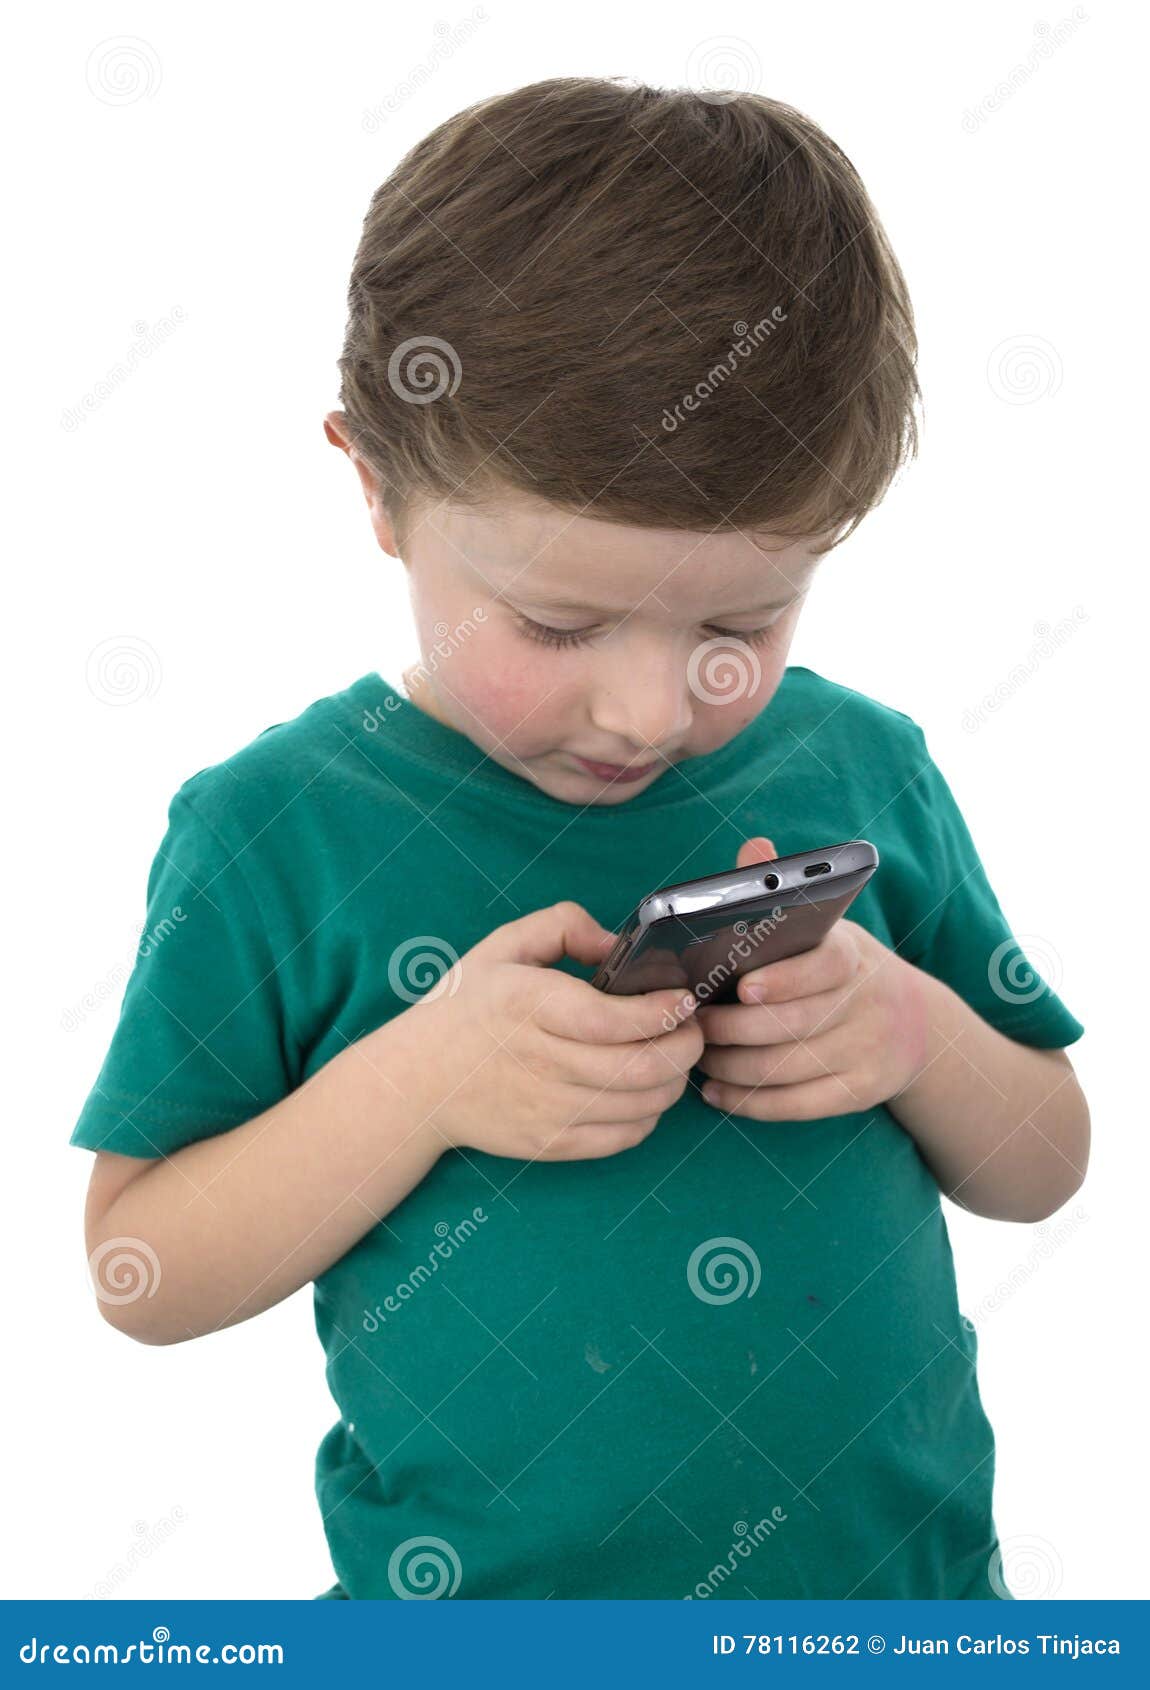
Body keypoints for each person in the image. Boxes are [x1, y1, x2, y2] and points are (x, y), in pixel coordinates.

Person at [70, 76, 1089, 1600]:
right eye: (553, 620)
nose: (645, 708)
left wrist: (911, 1031)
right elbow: (140, 1271)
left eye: (741, 621)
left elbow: (1042, 1163)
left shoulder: (861, 763)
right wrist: (420, 1083)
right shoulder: (277, 827)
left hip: (906, 1607)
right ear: (375, 488)